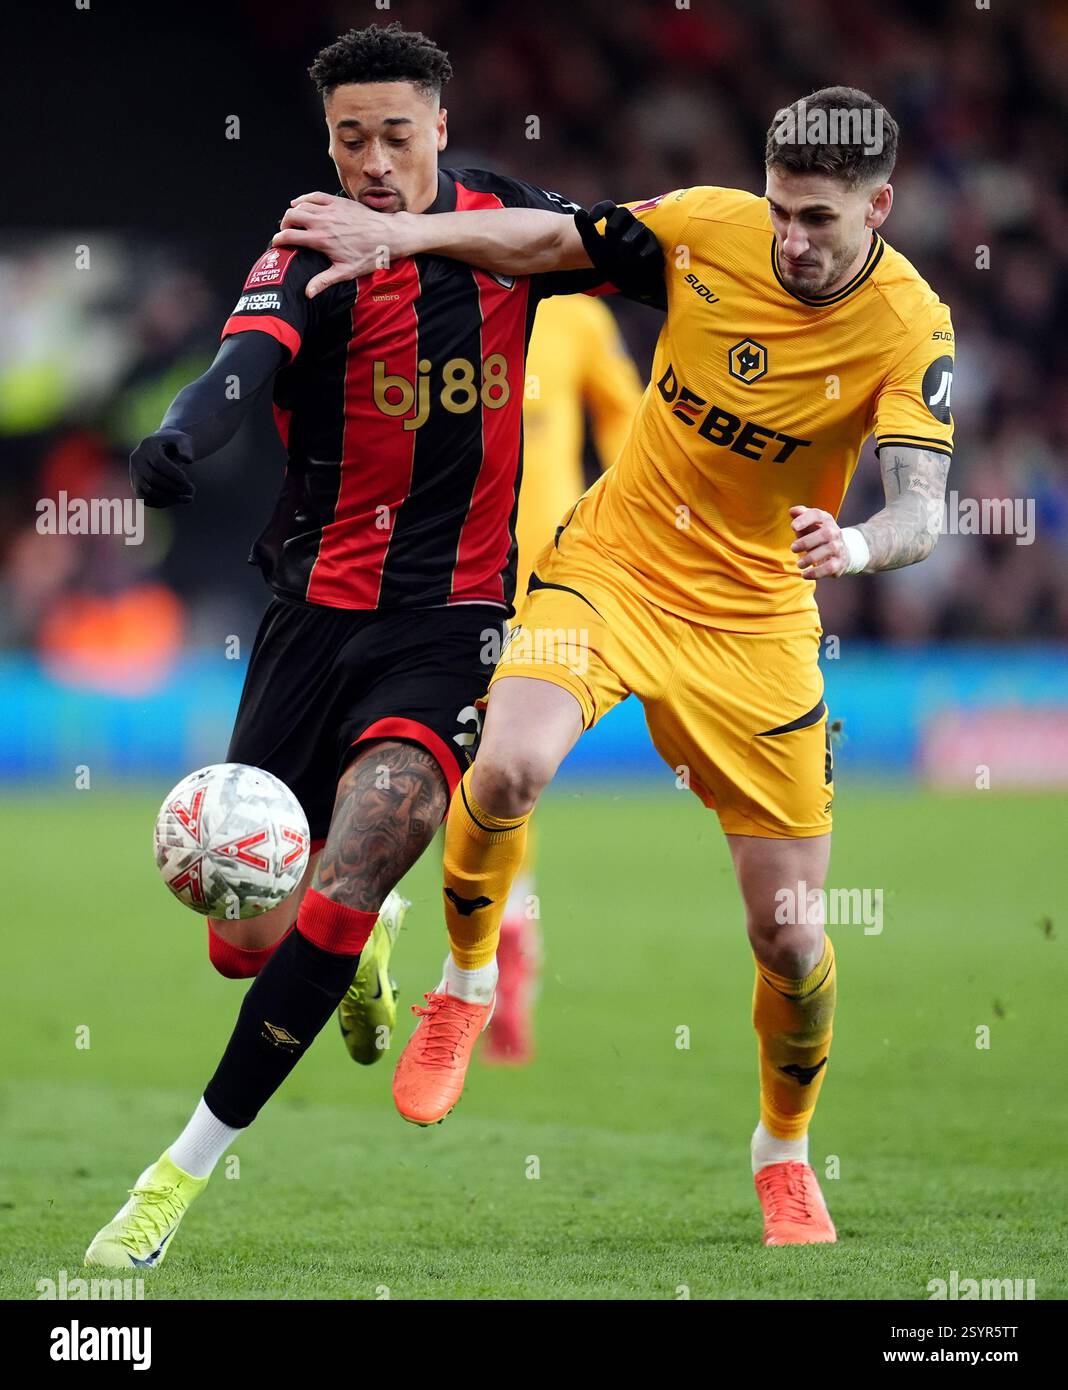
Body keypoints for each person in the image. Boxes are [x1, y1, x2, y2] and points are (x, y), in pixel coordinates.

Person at [286, 86, 955, 1245]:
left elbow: (922, 508)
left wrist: (854, 545)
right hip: (616, 566)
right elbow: (550, 238)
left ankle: (784, 1150)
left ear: (879, 208)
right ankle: (467, 981)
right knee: (506, 769)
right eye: (781, 209)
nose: (792, 239)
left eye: (819, 219)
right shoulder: (707, 228)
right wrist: (403, 232)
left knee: (792, 938)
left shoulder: (911, 327)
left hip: (758, 624)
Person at [84, 22, 661, 1269]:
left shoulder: (503, 223)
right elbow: (238, 369)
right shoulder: (307, 247)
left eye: (398, 134)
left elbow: (640, 250)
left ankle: (171, 1179)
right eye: (352, 139)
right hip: (309, 622)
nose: (375, 164)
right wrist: (181, 434)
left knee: (347, 881)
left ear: (441, 128)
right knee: (241, 940)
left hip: (451, 627)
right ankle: (356, 953)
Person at [488, 293, 644, 1063]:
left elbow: (632, 424)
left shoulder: (578, 317)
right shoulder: (446, 299)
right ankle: (505, 934)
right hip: (446, 572)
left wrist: (634, 522)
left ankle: (503, 940)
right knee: (458, 769)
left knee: (503, 768)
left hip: (550, 579)